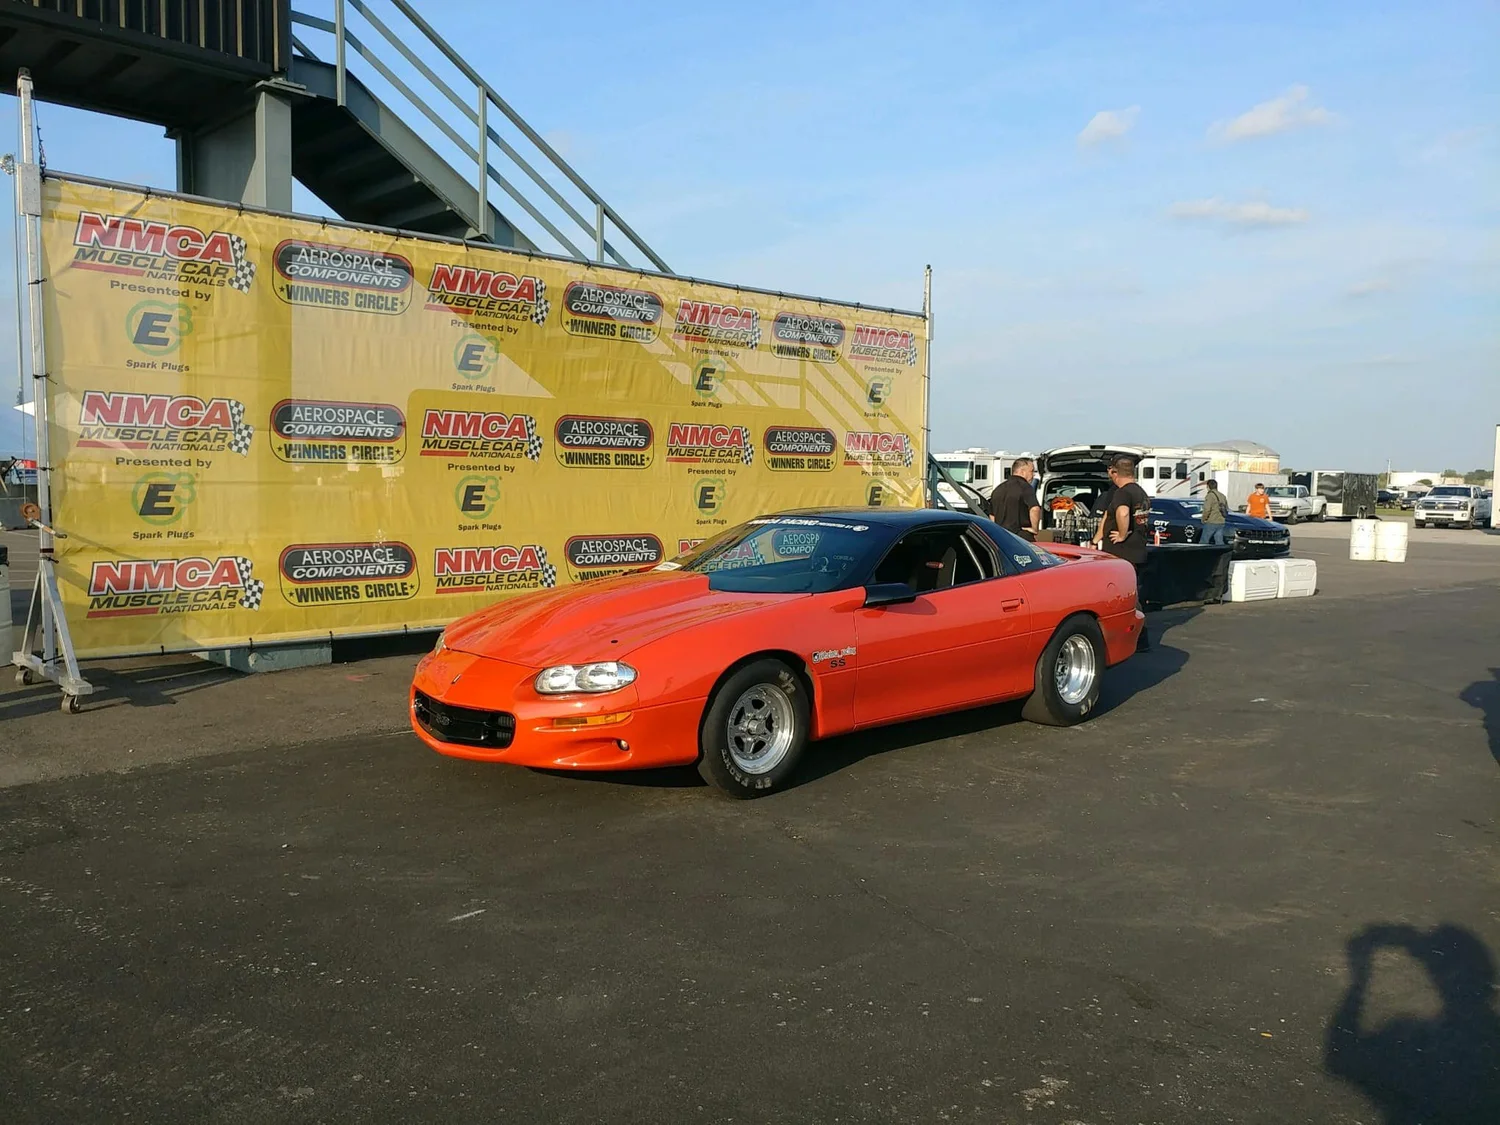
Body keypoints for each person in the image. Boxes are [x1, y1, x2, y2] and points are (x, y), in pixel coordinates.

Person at [1092, 454, 1152, 652]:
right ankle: (1132, 637)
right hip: (1137, 550)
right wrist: (1096, 539)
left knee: (1128, 598)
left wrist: (1123, 534)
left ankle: (1140, 639)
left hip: (1122, 553)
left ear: (1115, 472)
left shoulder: (1123, 493)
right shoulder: (1141, 492)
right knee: (1130, 595)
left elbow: (1122, 513)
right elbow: (1109, 515)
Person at [987, 457, 1042, 540]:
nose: (1033, 474)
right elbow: (1034, 509)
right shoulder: (1026, 487)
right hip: (1021, 537)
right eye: (1031, 471)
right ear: (1022, 472)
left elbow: (992, 515)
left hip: (1000, 537)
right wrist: (1034, 529)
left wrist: (996, 530)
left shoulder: (998, 489)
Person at [1200, 478, 1229, 545]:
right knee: (1219, 541)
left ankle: (1201, 554)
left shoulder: (1210, 495)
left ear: (1208, 486)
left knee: (1204, 541)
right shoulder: (1222, 496)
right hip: (1221, 521)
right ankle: (1221, 554)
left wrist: (1203, 519)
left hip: (1212, 521)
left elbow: (1207, 509)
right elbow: (1226, 508)